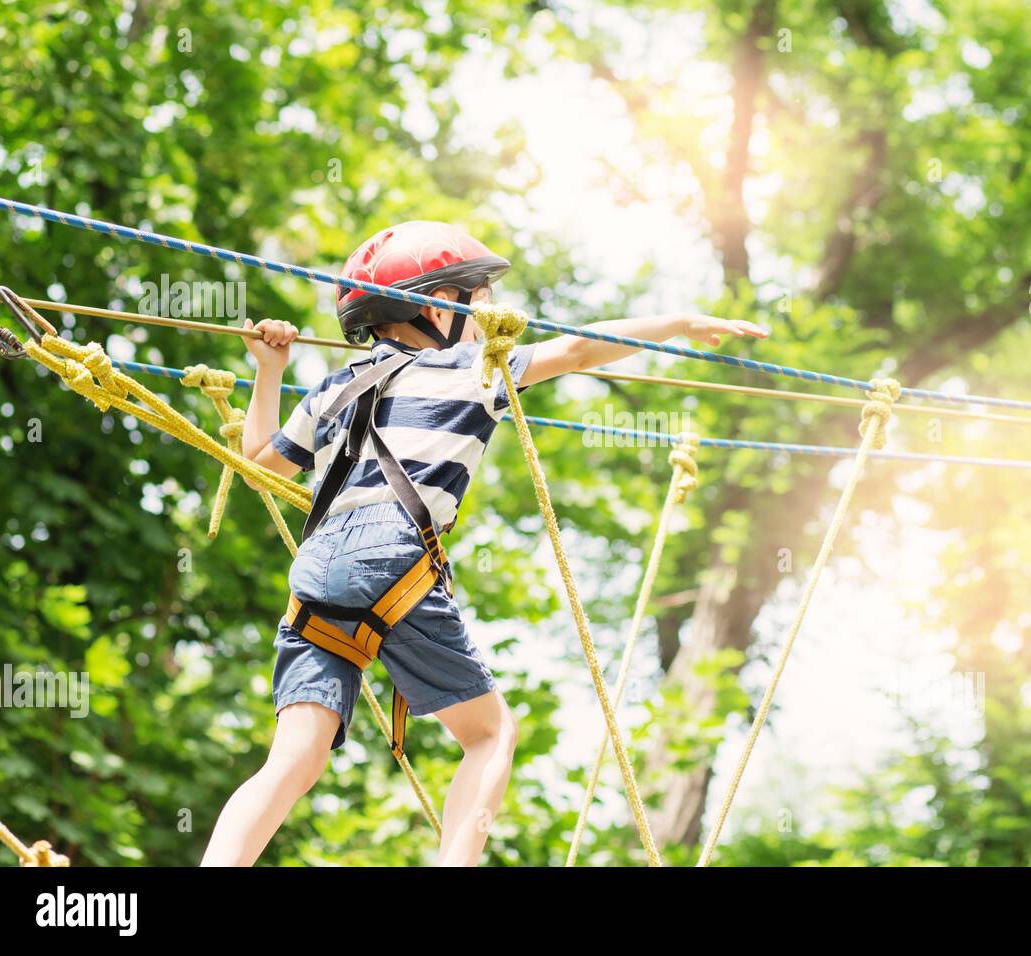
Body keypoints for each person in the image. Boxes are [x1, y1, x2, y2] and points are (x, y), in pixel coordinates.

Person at [200, 220, 767, 866]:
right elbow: (579, 353)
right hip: (394, 563)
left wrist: (268, 371)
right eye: (473, 300)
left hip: (317, 574)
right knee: (490, 734)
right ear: (432, 306)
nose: (482, 316)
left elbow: (258, 464)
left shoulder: (330, 390)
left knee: (292, 759)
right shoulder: (472, 367)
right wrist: (672, 325)